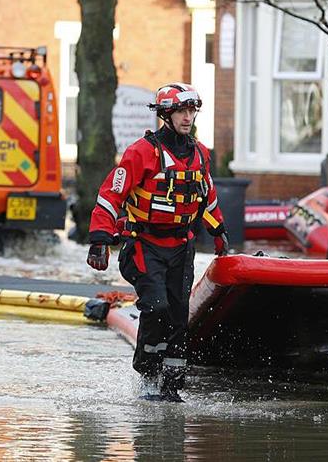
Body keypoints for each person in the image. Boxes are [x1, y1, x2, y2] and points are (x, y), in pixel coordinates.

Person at [85, 83, 228, 402]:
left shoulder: (200, 154)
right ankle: (148, 376)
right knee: (156, 307)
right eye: (181, 111)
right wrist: (100, 239)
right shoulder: (141, 152)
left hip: (181, 247)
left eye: (191, 111)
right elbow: (111, 195)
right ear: (166, 114)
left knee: (179, 315)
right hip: (143, 245)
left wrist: (218, 231)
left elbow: (207, 197)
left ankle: (172, 386)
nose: (188, 117)